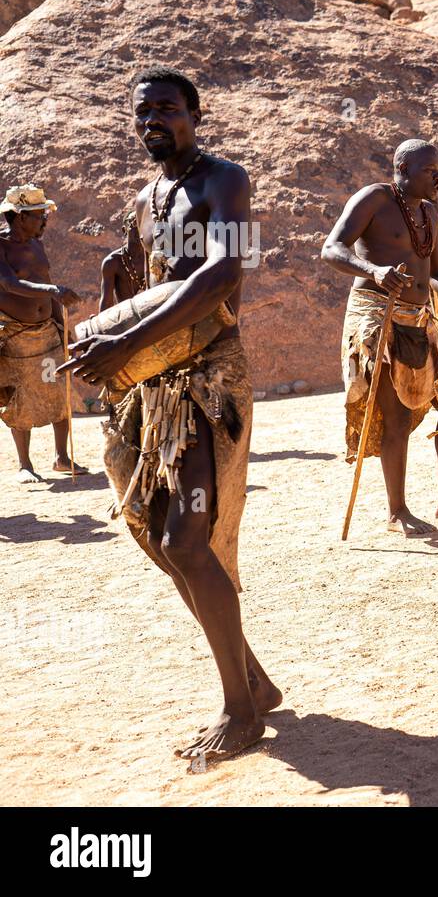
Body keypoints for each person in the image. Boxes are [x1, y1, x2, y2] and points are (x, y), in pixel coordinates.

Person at [62, 67, 279, 761]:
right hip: (154, 387)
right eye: (142, 111)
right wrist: (113, 294)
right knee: (161, 538)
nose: (152, 119)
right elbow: (148, 282)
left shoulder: (225, 180)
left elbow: (221, 274)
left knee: (188, 541)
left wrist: (124, 340)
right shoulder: (146, 199)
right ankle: (254, 680)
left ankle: (241, 713)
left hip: (207, 383)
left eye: (166, 107)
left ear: (194, 113)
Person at [322, 139, 438, 535]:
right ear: (404, 169)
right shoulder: (373, 199)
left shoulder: (427, 212)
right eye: (430, 170)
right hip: (378, 316)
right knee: (396, 414)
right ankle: (396, 511)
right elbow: (331, 249)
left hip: (421, 317)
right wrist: (371, 270)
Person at [0, 184, 86, 482]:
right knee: (19, 397)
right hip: (16, 335)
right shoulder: (0, 246)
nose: (44, 221)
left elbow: (45, 284)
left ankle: (62, 457)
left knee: (58, 392)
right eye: (38, 215)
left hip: (47, 332)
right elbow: (8, 284)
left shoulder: (37, 244)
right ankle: (25, 464)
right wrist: (53, 289)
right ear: (19, 217)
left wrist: (63, 326)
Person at [99, 207, 148, 311]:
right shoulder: (112, 262)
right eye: (133, 225)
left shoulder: (153, 256)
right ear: (124, 230)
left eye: (141, 225)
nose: (138, 230)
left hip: (154, 315)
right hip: (127, 318)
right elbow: (106, 302)